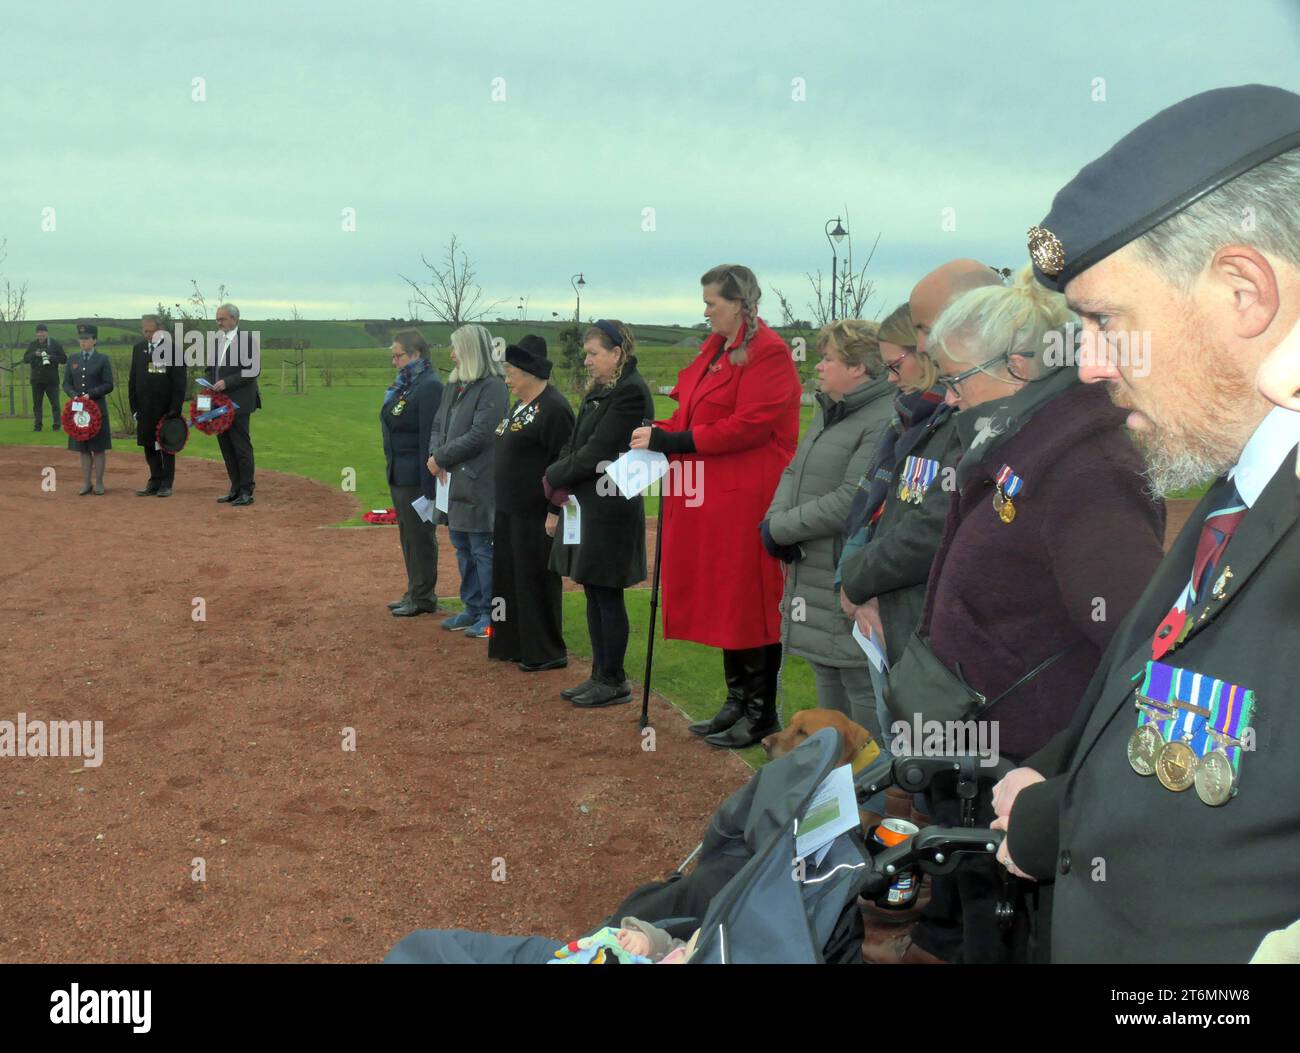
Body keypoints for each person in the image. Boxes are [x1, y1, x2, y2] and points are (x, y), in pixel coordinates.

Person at [992, 84, 1300, 963]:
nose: (1088, 365)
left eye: (1105, 321)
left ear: (1244, 291)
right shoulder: (1246, 479)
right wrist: (1061, 791)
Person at [892, 267, 1166, 965]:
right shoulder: (1020, 441)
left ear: (1017, 365)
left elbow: (1139, 644)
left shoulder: (1087, 470)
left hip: (1029, 769)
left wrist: (1055, 770)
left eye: (956, 379)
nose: (945, 397)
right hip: (983, 755)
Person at [631, 265, 801, 749]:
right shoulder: (716, 351)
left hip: (746, 496)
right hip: (711, 493)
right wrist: (655, 432)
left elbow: (750, 425)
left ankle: (761, 710)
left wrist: (675, 439)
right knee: (729, 595)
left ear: (740, 303)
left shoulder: (768, 352)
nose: (705, 311)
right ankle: (735, 700)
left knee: (750, 596)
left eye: (712, 303)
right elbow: (690, 414)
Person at [761, 319, 895, 740]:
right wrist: (774, 522)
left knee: (860, 684)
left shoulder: (882, 418)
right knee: (826, 673)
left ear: (858, 367)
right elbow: (794, 470)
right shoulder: (828, 409)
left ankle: (868, 792)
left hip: (845, 572)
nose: (819, 366)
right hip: (813, 568)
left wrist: (780, 528)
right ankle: (828, 788)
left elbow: (851, 500)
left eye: (829, 359)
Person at [545, 320, 654, 707]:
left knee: (607, 593)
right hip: (590, 505)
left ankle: (613, 679)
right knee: (593, 589)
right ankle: (600, 675)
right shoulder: (603, 391)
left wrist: (553, 475)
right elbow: (577, 443)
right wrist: (559, 475)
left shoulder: (629, 394)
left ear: (616, 353)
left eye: (593, 354)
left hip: (611, 508)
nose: (587, 361)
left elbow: (598, 453)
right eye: (586, 354)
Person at [489, 334, 575, 671]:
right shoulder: (521, 405)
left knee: (535, 579)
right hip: (509, 508)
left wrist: (555, 509)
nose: (507, 376)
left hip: (536, 512)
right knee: (510, 579)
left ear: (529, 372)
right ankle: (512, 642)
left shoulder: (554, 408)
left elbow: (565, 460)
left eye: (511, 370)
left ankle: (545, 650)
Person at [427, 324, 508, 639]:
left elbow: (481, 434)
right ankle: (472, 608)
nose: (451, 354)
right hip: (451, 481)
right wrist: (437, 455)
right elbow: (438, 424)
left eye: (456, 348)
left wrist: (441, 457)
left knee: (481, 548)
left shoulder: (494, 387)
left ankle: (490, 615)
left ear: (471, 351)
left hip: (478, 482)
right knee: (461, 545)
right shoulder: (455, 385)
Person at [382, 329, 443, 617]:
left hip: (417, 476)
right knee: (407, 535)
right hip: (399, 472)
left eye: (399, 355)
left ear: (416, 354)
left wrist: (427, 482)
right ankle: (414, 590)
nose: (394, 361)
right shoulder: (407, 385)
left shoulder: (429, 386)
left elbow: (427, 438)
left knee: (420, 536)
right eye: (393, 355)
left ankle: (423, 596)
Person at [128, 314, 187, 497]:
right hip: (144, 409)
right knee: (148, 446)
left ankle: (167, 483)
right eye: (145, 331)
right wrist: (134, 407)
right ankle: (154, 480)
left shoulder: (173, 351)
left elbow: (179, 383)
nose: (148, 335)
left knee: (166, 447)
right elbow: (133, 379)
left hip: (165, 410)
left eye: (151, 331)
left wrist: (175, 409)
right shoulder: (138, 349)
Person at [210, 303, 261, 506]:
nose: (219, 322)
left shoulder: (248, 341)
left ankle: (247, 490)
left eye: (222, 319)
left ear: (234, 319)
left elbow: (252, 370)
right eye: (217, 319)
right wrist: (207, 387)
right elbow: (211, 369)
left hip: (239, 403)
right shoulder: (217, 341)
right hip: (219, 404)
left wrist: (227, 382)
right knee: (226, 447)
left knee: (241, 447)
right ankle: (235, 488)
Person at [62, 323, 113, 495]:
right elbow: (66, 383)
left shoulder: (103, 360)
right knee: (83, 449)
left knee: (98, 448)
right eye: (81, 339)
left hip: (96, 410)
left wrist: (91, 395)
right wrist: (73, 394)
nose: (83, 342)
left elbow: (108, 384)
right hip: (78, 412)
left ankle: (99, 483)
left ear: (94, 340)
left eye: (87, 339)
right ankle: (86, 483)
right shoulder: (73, 359)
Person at [24, 324, 66, 431]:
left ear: (46, 333)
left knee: (55, 404)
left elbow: (64, 359)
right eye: (39, 332)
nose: (41, 334)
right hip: (37, 380)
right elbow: (25, 359)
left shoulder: (54, 344)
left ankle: (56, 425)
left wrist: (51, 357)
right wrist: (35, 354)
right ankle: (38, 426)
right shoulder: (32, 345)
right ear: (36, 333)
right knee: (37, 405)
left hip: (51, 380)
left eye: (43, 332)